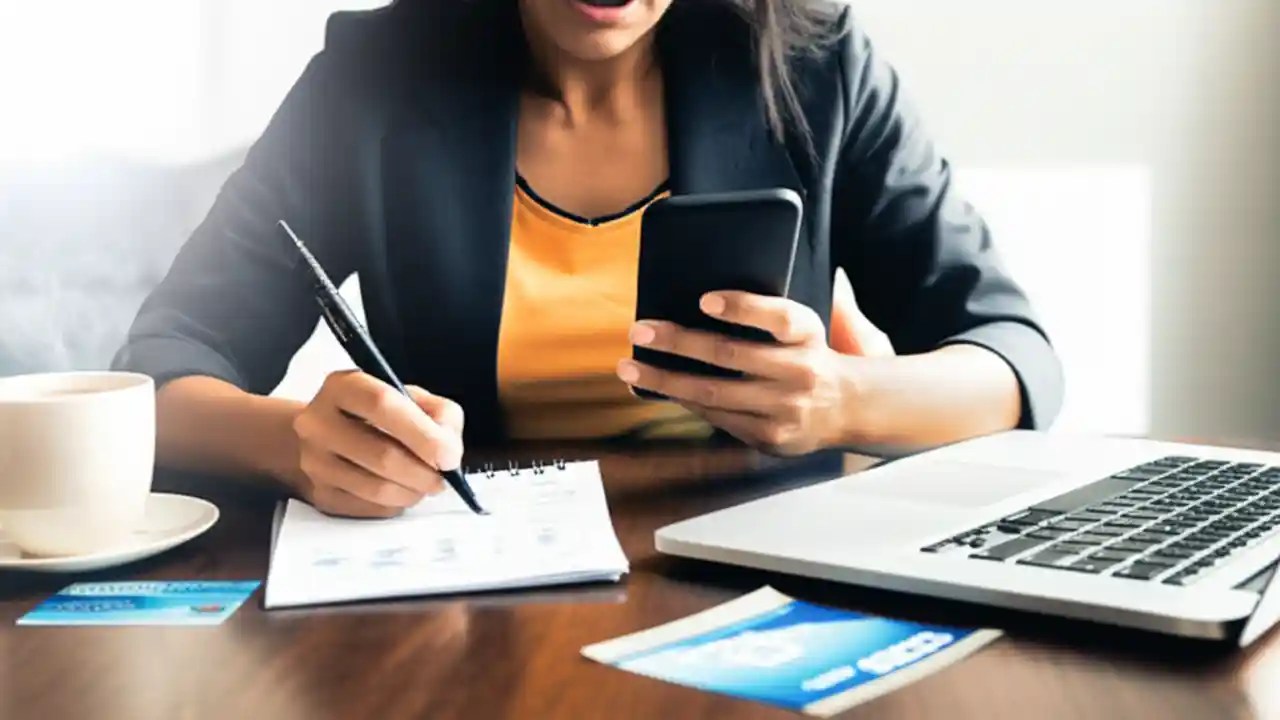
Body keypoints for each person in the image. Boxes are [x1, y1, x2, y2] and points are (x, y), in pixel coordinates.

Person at [114, 0, 1063, 518]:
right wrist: (290, 445)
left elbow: (1016, 362)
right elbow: (158, 372)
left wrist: (843, 402)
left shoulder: (815, 62)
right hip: (463, 583)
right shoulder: (375, 76)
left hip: (755, 568)